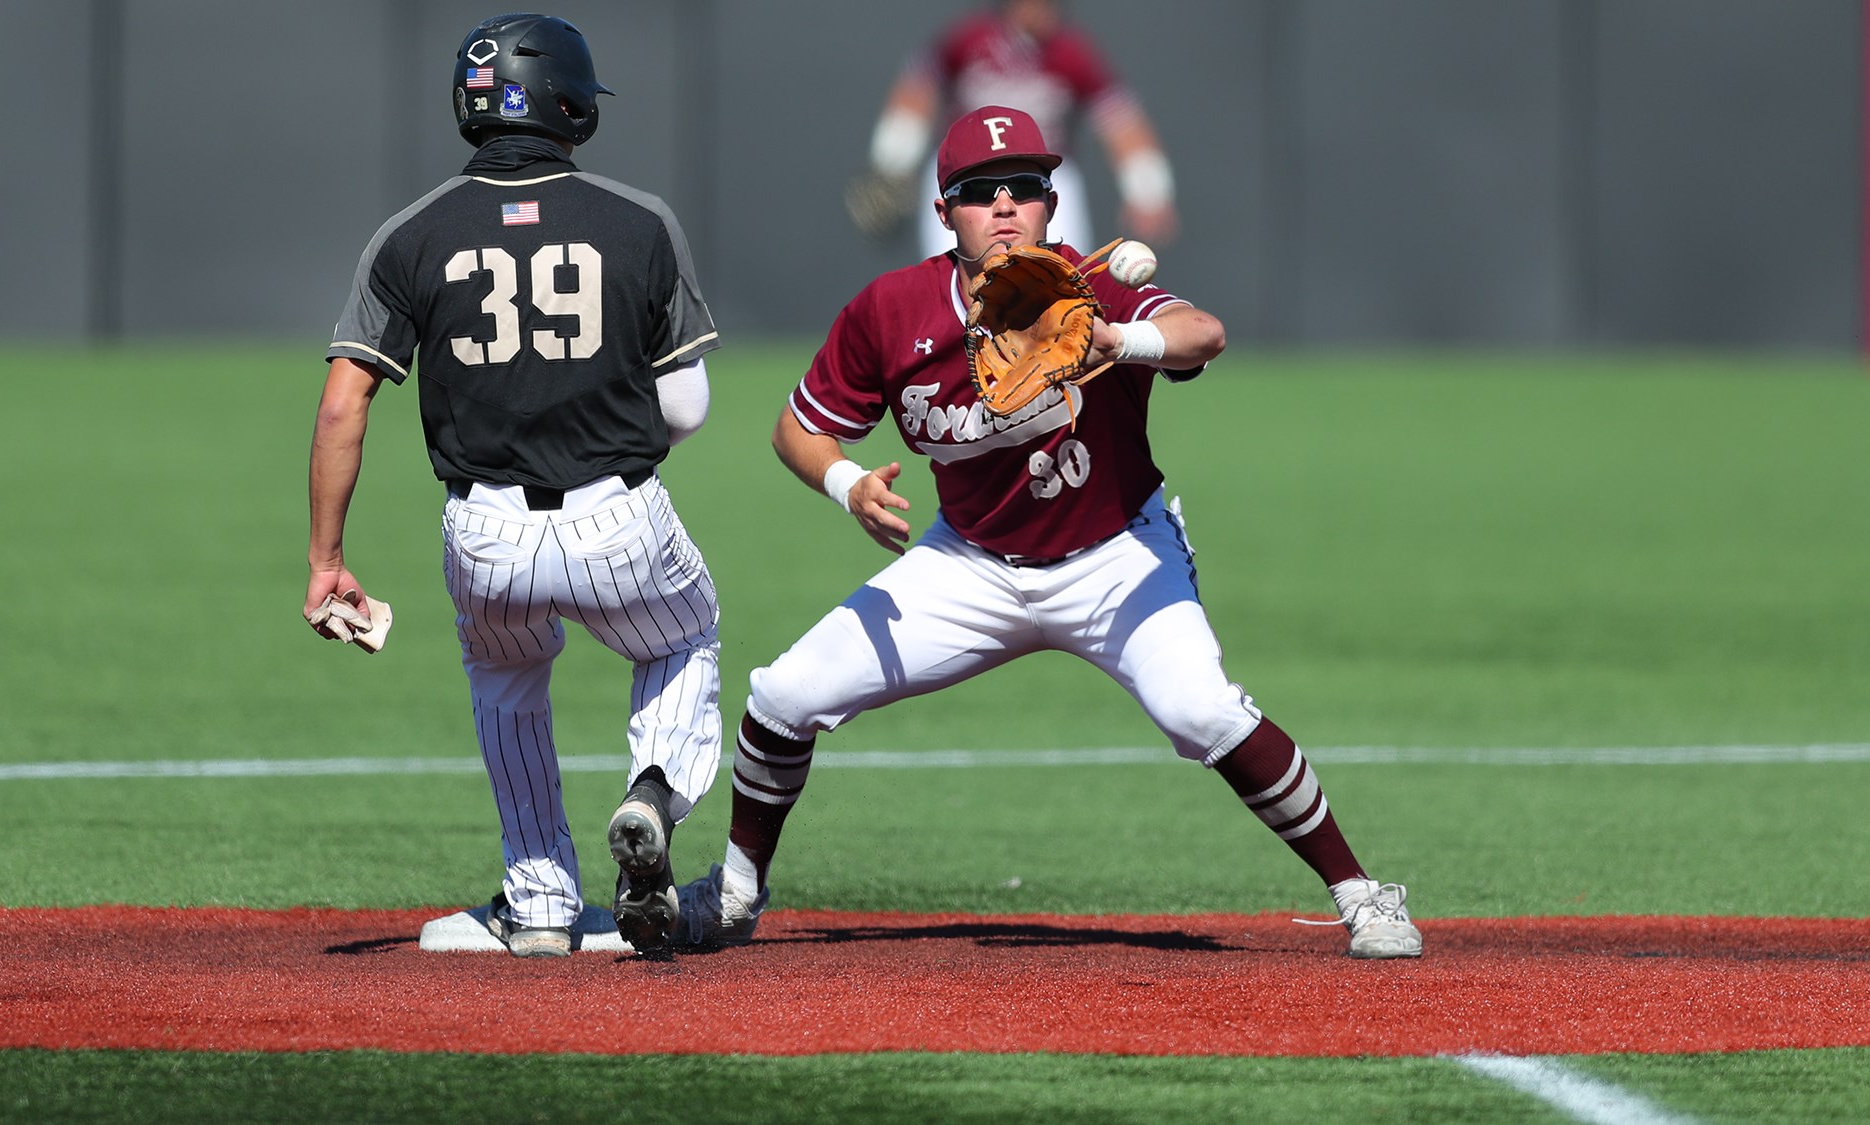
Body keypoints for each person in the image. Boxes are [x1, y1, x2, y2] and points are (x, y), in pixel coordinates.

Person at [673, 106, 1422, 960]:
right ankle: (734, 892)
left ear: (1050, 208)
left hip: (1115, 550)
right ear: (944, 209)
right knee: (782, 694)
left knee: (1201, 709)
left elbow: (1202, 333)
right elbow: (797, 428)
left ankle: (1362, 893)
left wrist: (1119, 337)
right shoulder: (893, 309)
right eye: (979, 192)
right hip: (969, 564)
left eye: (1024, 189)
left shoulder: (1089, 284)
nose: (1004, 206)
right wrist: (847, 485)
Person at [306, 12, 724, 958]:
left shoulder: (410, 233)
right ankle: (652, 794)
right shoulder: (640, 219)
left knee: (506, 678)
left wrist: (327, 556)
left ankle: (537, 904)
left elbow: (342, 407)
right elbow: (689, 407)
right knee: (684, 636)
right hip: (617, 513)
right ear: (571, 105)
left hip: (484, 534)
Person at [847, 0, 1180, 259]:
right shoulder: (968, 40)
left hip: (1041, 181)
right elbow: (917, 91)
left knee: (1061, 293)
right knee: (955, 289)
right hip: (966, 181)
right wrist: (891, 161)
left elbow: (1122, 123)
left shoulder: (1072, 53)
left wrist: (1148, 191)